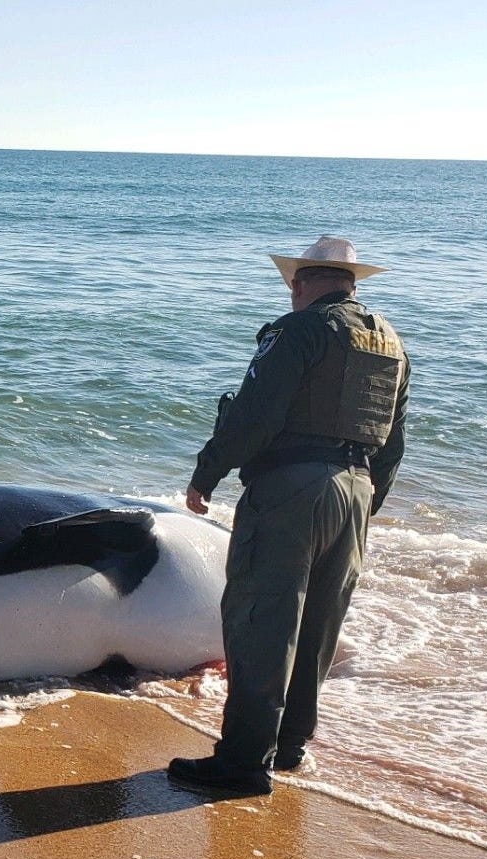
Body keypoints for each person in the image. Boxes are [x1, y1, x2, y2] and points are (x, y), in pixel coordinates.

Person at [168, 236, 409, 795]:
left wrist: (207, 473)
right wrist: (367, 504)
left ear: (300, 282)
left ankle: (243, 763)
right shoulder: (392, 344)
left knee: (262, 621)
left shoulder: (296, 330)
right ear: (351, 283)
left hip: (291, 489)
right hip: (355, 491)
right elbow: (393, 442)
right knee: (318, 626)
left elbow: (256, 413)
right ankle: (291, 748)